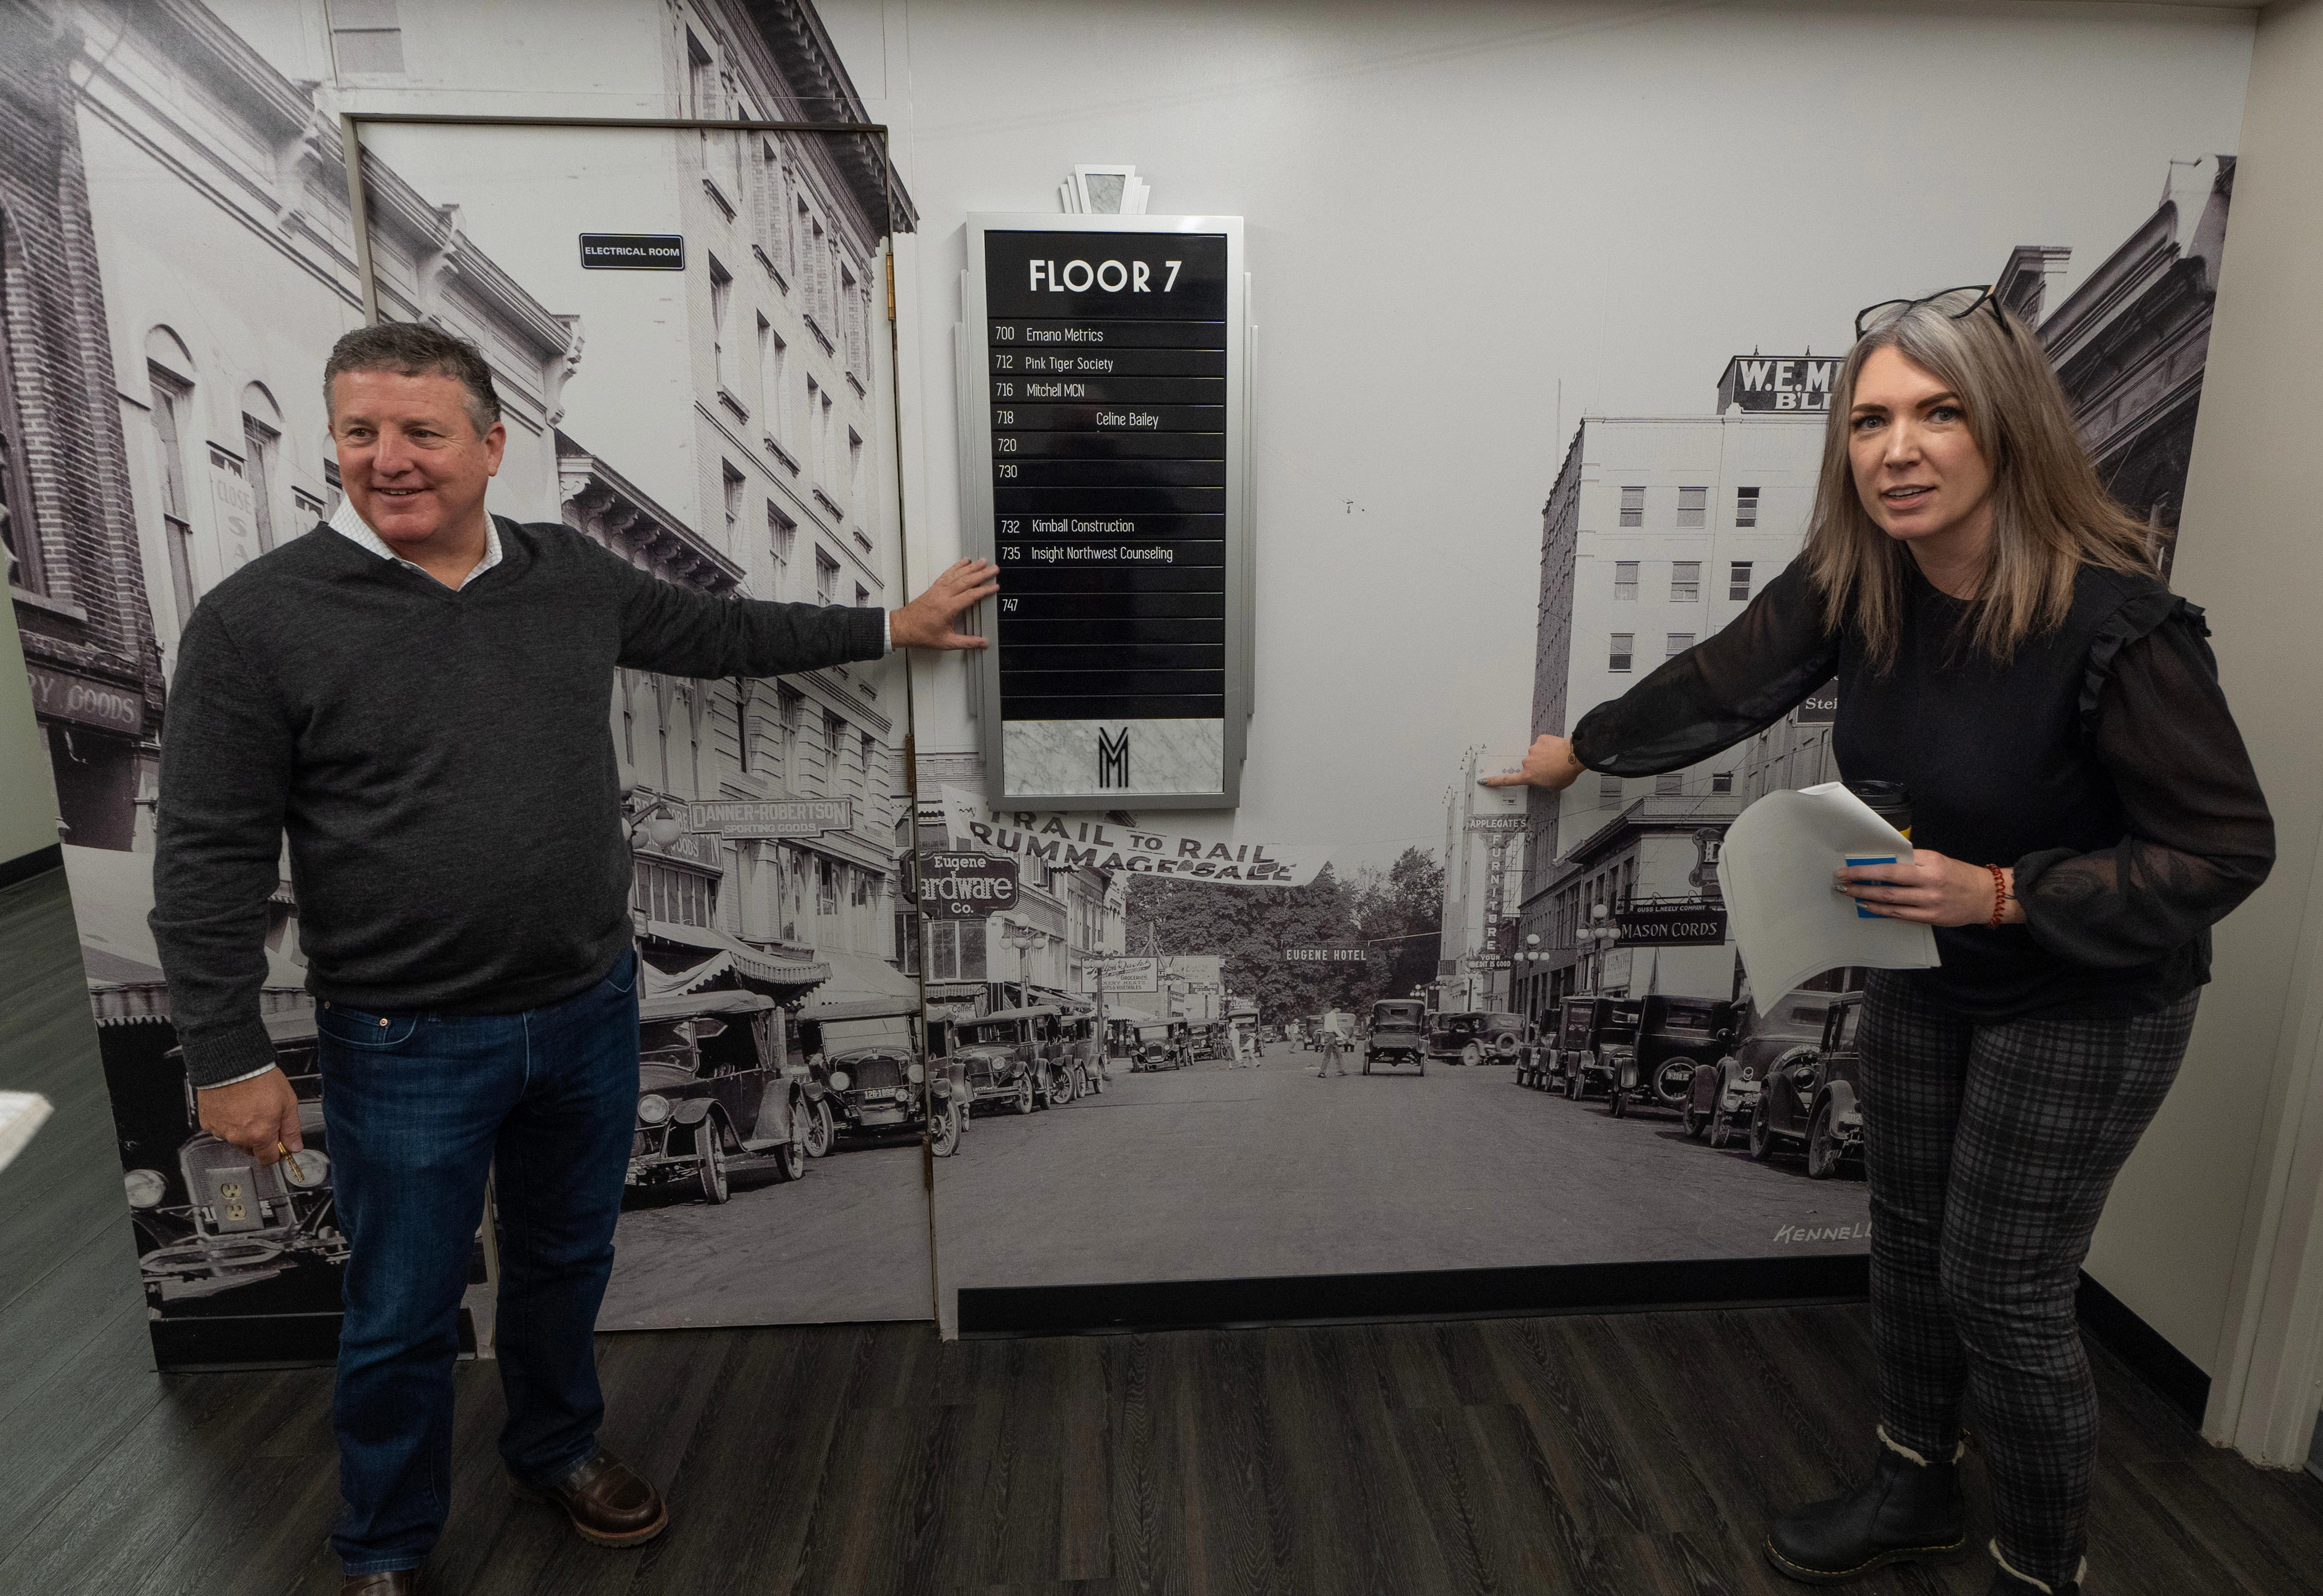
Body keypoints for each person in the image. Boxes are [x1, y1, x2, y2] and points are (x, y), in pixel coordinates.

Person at [151, 322, 998, 1596]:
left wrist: (894, 621)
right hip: (401, 1036)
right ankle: (382, 1544)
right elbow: (207, 854)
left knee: (564, 1262)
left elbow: (723, 634)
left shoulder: (568, 575)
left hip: (593, 1007)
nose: (387, 459)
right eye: (360, 432)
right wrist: (223, 1051)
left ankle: (552, 1447)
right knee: (399, 1310)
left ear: (492, 447)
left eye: (421, 432)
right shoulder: (256, 619)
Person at [1485, 286, 2273, 1596]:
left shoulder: (2116, 625)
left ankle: (2038, 1563)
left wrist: (2008, 893)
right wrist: (1583, 748)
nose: (1894, 449)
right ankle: (1913, 1480)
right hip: (1924, 967)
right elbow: (1726, 677)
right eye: (1868, 421)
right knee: (1904, 1239)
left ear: (2004, 432)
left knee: (2002, 1286)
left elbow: (2222, 849)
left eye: (1934, 414)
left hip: (2088, 991)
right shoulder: (1859, 583)